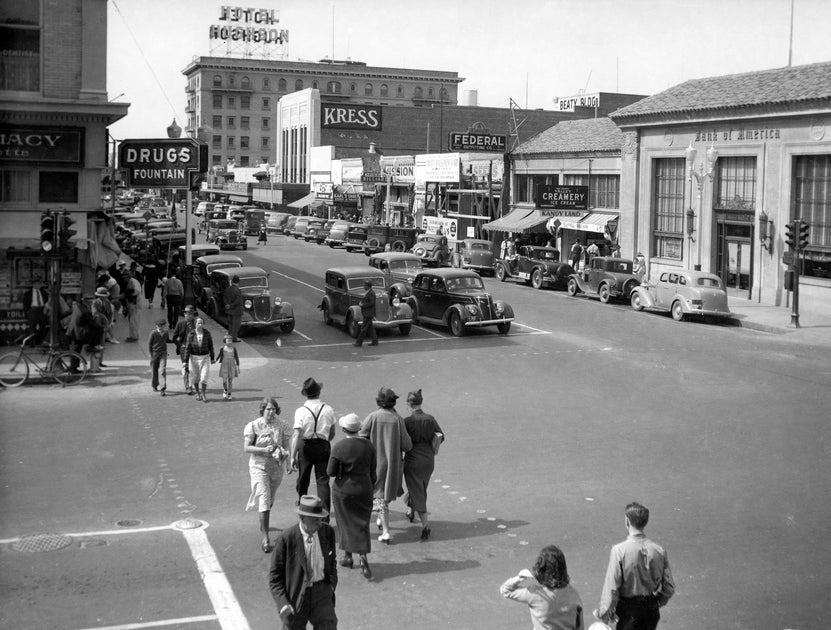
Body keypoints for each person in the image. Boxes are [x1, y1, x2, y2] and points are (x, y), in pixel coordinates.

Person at [595, 502, 675, 630]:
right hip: (651, 609)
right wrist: (658, 601)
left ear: (627, 521)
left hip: (628, 610)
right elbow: (669, 587)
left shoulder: (619, 551)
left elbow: (612, 588)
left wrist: (604, 615)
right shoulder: (659, 551)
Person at [269, 495, 338, 630]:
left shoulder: (327, 532)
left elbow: (332, 561)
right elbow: (274, 577)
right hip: (297, 595)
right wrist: (282, 603)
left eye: (321, 519)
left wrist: (331, 585)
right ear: (302, 518)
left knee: (329, 626)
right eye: (315, 520)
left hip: (322, 593)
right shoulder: (286, 538)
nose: (319, 524)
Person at [326, 413, 377, 579]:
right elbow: (373, 471)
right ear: (359, 428)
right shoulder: (368, 446)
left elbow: (330, 471)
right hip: (364, 487)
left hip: (344, 489)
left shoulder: (339, 447)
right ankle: (360, 557)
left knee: (344, 522)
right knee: (361, 523)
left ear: (343, 429)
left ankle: (349, 556)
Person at [359, 387, 412, 544]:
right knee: (384, 495)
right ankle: (383, 521)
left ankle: (387, 530)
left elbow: (361, 436)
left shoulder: (372, 417)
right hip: (394, 464)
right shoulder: (398, 419)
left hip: (375, 464)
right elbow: (407, 445)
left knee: (379, 495)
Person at [244, 397, 291, 552]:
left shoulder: (282, 425)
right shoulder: (253, 425)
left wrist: (287, 459)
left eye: (273, 409)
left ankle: (263, 522)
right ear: (262, 410)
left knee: (269, 499)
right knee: (264, 498)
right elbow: (247, 448)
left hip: (276, 468)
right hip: (259, 467)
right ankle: (265, 538)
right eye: (268, 409)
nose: (271, 412)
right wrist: (264, 450)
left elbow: (286, 446)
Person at [500, 544, 584, 630]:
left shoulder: (535, 593)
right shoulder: (574, 594)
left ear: (541, 569)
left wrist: (520, 578)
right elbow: (580, 627)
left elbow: (505, 590)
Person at [290, 377, 337, 520]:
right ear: (319, 392)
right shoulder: (328, 409)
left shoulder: (301, 411)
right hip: (323, 446)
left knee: (303, 478)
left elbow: (297, 434)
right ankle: (325, 516)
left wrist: (292, 456)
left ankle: (303, 509)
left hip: (306, 446)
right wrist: (324, 441)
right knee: (323, 481)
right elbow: (332, 432)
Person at [402, 389, 444, 541]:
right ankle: (411, 509)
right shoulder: (430, 419)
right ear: (421, 402)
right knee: (421, 487)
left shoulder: (407, 422)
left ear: (408, 404)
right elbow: (441, 436)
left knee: (416, 490)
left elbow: (403, 442)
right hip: (428, 459)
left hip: (413, 459)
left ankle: (425, 525)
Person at [183, 317, 215, 402]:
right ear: (195, 324)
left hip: (205, 357)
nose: (200, 325)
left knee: (204, 377)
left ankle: (204, 394)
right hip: (194, 358)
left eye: (202, 323)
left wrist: (212, 358)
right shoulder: (191, 334)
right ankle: (198, 394)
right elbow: (187, 348)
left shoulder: (207, 333)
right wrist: (185, 361)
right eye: (198, 323)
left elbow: (211, 346)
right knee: (195, 377)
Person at [172, 304, 197, 394]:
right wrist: (180, 345)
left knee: (194, 368)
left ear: (193, 314)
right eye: (186, 313)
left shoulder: (197, 323)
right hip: (184, 348)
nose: (188, 315)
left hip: (195, 349)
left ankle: (194, 383)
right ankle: (188, 386)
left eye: (190, 313)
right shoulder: (180, 323)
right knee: (185, 367)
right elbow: (174, 337)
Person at [148, 318, 170, 395]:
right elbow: (149, 344)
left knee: (162, 370)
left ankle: (162, 388)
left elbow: (167, 340)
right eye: (160, 326)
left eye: (163, 325)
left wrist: (175, 341)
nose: (162, 327)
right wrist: (150, 354)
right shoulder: (153, 333)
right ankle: (154, 385)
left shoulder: (166, 332)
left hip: (163, 353)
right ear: (157, 326)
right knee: (154, 371)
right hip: (155, 354)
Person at [352, 280, 377, 348]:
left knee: (363, 328)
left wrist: (363, 305)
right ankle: (375, 341)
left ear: (368, 286)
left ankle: (358, 342)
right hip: (367, 313)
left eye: (365, 285)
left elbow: (372, 303)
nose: (363, 287)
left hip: (368, 313)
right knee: (370, 328)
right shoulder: (368, 292)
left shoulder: (371, 293)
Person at [216, 334, 240, 400]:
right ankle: (225, 390)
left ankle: (229, 394)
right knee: (224, 380)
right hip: (224, 365)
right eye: (228, 340)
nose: (229, 342)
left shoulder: (234, 349)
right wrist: (215, 360)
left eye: (230, 340)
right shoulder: (222, 348)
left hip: (232, 365)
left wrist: (238, 366)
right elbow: (219, 355)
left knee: (230, 380)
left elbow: (236, 357)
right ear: (225, 341)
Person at [224, 275, 244, 342]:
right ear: (238, 282)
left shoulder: (228, 289)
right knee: (236, 326)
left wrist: (227, 305)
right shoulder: (237, 290)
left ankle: (229, 337)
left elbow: (225, 298)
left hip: (229, 311)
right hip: (236, 311)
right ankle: (234, 338)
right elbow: (238, 301)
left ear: (232, 281)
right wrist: (231, 305)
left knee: (230, 325)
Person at [124, 267, 142, 342]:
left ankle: (134, 337)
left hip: (135, 305)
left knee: (133, 321)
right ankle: (132, 335)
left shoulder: (133, 282)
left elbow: (136, 292)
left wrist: (129, 295)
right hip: (131, 305)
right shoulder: (130, 282)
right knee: (131, 320)